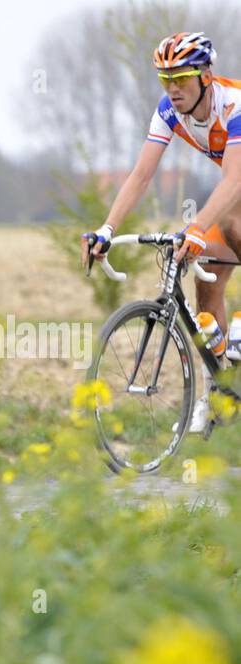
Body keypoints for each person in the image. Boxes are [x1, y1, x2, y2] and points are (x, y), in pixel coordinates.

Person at [82, 32, 241, 434]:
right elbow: (141, 175)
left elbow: (236, 178)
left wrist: (197, 225)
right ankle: (218, 392)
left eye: (182, 77)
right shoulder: (169, 111)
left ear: (205, 75)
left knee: (229, 224)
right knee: (206, 281)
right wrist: (107, 228)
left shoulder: (233, 105)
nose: (173, 88)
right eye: (164, 79)